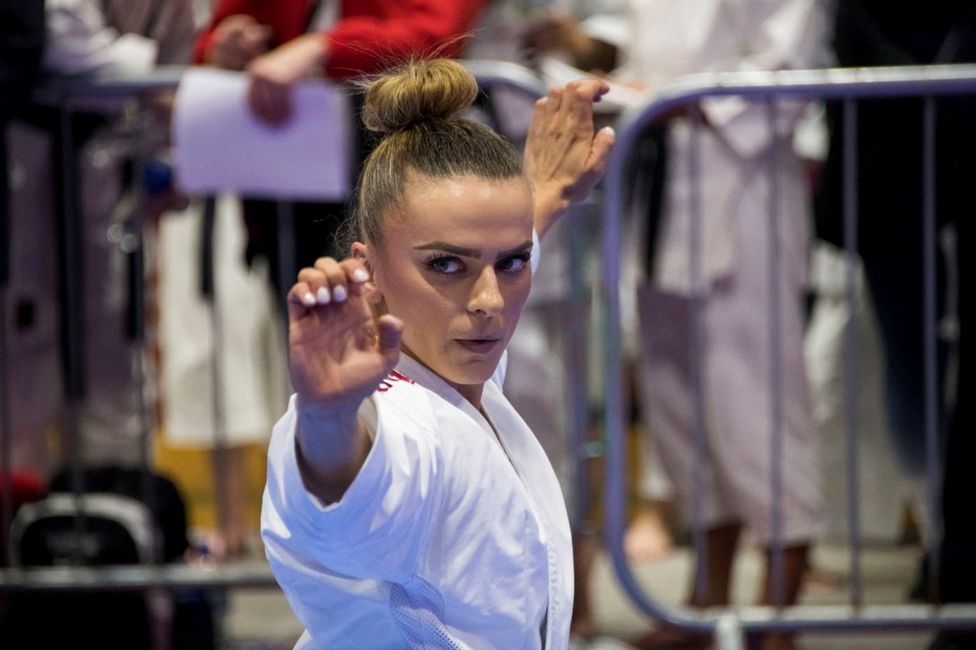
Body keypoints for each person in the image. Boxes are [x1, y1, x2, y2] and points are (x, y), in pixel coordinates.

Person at [261, 57, 614, 647]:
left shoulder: (453, 373)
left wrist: (546, 193)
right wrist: (326, 416)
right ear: (367, 268)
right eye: (445, 264)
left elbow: (496, 257)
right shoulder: (398, 420)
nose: (488, 301)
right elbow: (349, 503)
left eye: (512, 263)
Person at [813, 3, 976, 647]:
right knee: (911, 370)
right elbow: (851, 22)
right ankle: (944, 537)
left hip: (951, 143)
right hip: (889, 166)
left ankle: (958, 554)